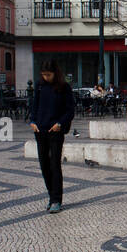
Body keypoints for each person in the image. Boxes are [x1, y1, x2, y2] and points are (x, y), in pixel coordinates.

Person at [29, 58, 75, 213]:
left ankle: (57, 199)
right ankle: (51, 196)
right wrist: (32, 120)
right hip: (40, 130)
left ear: (55, 73)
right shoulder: (40, 86)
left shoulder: (64, 87)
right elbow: (35, 103)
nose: (45, 77)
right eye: (43, 74)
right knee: (44, 165)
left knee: (55, 165)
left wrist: (60, 123)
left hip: (55, 131)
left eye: (48, 74)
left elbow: (70, 110)